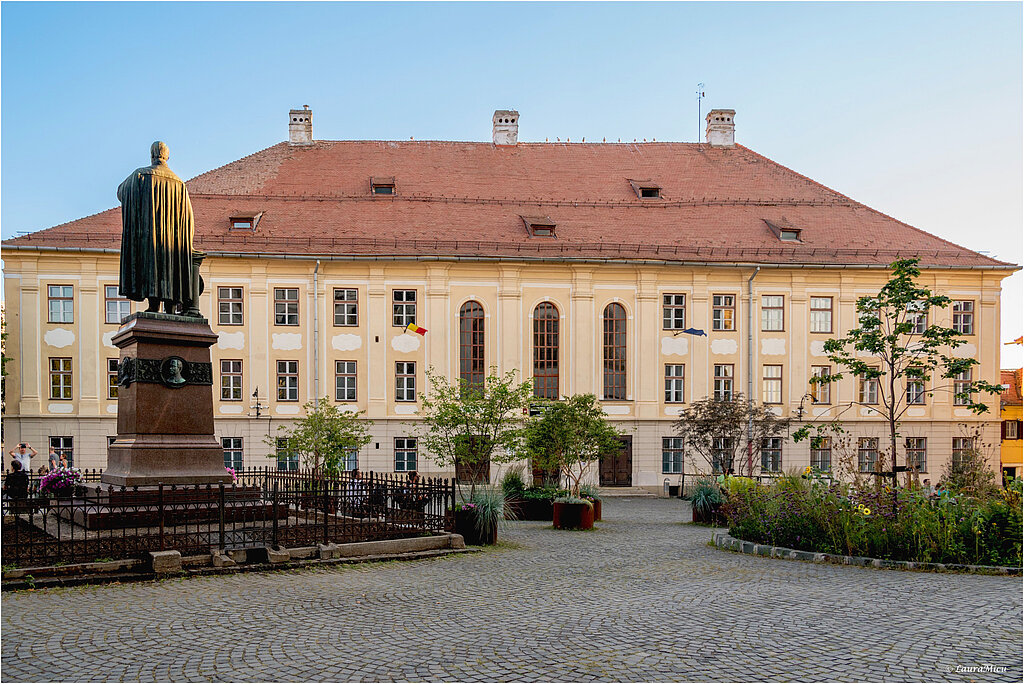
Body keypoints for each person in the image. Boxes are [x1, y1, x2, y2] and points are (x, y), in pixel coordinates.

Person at [117, 141, 197, 314]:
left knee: (152, 266)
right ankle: (170, 307)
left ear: (152, 155)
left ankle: (153, 305)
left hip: (149, 237)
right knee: (170, 267)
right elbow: (189, 217)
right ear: (167, 156)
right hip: (172, 242)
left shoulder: (139, 175)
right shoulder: (179, 183)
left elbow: (121, 192)